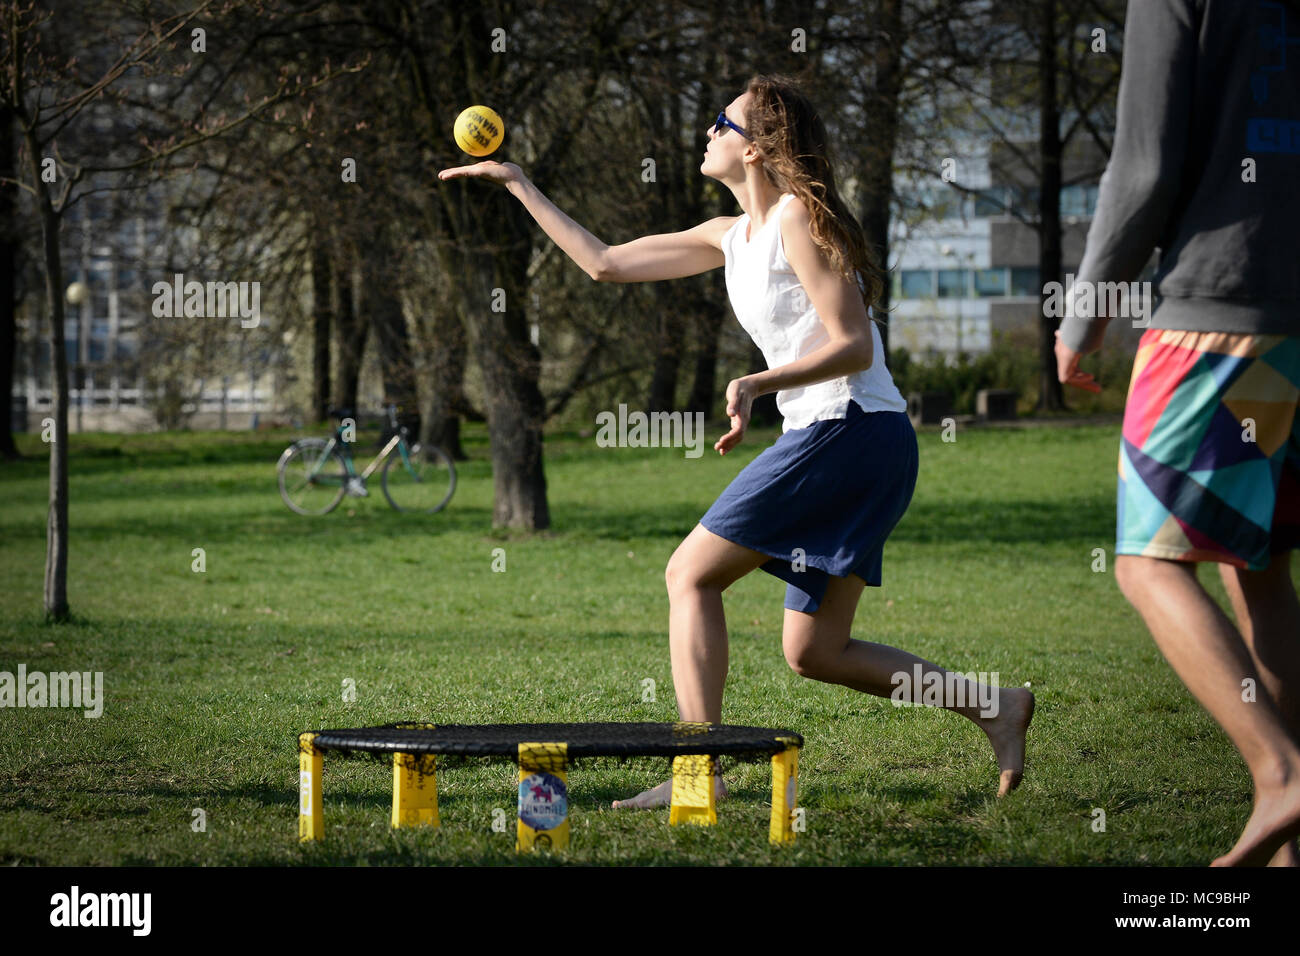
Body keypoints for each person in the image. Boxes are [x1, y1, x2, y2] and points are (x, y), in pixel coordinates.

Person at [439, 73, 1034, 809]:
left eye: (723, 123)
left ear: (756, 149)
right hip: (856, 439)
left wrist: (757, 382)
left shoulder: (796, 219)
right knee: (815, 652)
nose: (709, 131)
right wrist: (517, 183)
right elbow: (605, 263)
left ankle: (698, 773)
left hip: (847, 428)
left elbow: (851, 345)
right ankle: (993, 706)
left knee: (690, 574)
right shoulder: (730, 236)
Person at [1056, 0, 1300, 866]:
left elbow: (1146, 165)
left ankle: (1280, 773)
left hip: (1218, 311)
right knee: (1258, 563)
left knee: (1147, 560)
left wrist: (1083, 314)